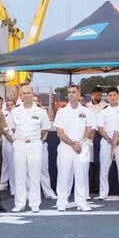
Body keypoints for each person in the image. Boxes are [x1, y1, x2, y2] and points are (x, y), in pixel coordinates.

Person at [8, 85, 52, 213]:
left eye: (28, 93)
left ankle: (34, 203)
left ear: (33, 94)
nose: (26, 95)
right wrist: (21, 137)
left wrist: (36, 138)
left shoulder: (40, 111)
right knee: (19, 176)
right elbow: (13, 127)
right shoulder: (15, 111)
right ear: (21, 95)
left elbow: (45, 128)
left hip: (34, 144)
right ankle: (20, 203)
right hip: (20, 144)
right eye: (24, 93)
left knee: (34, 175)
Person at [52, 85, 92, 213]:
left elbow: (89, 129)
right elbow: (59, 132)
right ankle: (62, 201)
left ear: (79, 93)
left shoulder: (87, 111)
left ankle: (81, 202)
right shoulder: (62, 111)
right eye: (69, 92)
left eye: (74, 92)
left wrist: (80, 143)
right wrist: (72, 144)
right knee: (64, 175)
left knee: (81, 176)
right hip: (66, 147)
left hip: (82, 147)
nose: (71, 94)